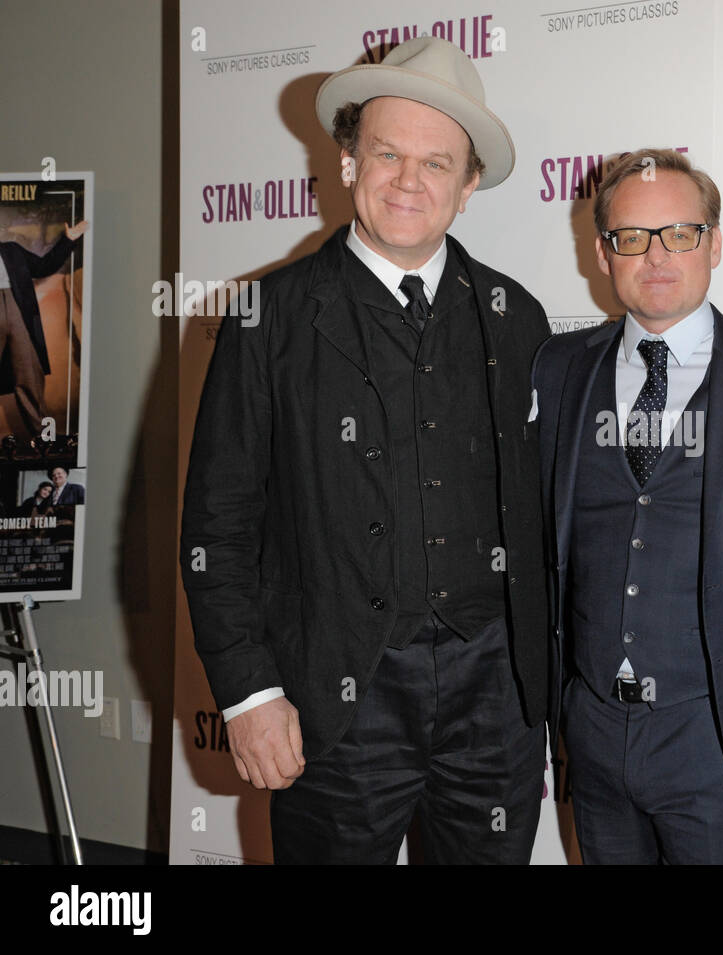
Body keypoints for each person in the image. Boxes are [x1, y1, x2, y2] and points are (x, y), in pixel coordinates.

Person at [180, 37, 551, 864]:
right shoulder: (268, 317)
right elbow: (218, 523)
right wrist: (249, 690)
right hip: (332, 701)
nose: (409, 180)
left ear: (468, 185)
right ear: (348, 162)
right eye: (387, 153)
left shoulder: (514, 317)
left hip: (495, 704)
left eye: (436, 163)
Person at [533, 148, 723, 864]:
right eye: (632, 236)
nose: (656, 255)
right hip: (594, 742)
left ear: (715, 243)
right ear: (602, 252)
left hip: (721, 745)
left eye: (681, 233)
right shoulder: (559, 369)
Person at [0, 220, 87, 437]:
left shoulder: (11, 250)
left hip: (17, 308)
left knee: (29, 377)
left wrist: (68, 240)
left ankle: (45, 444)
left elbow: (43, 267)